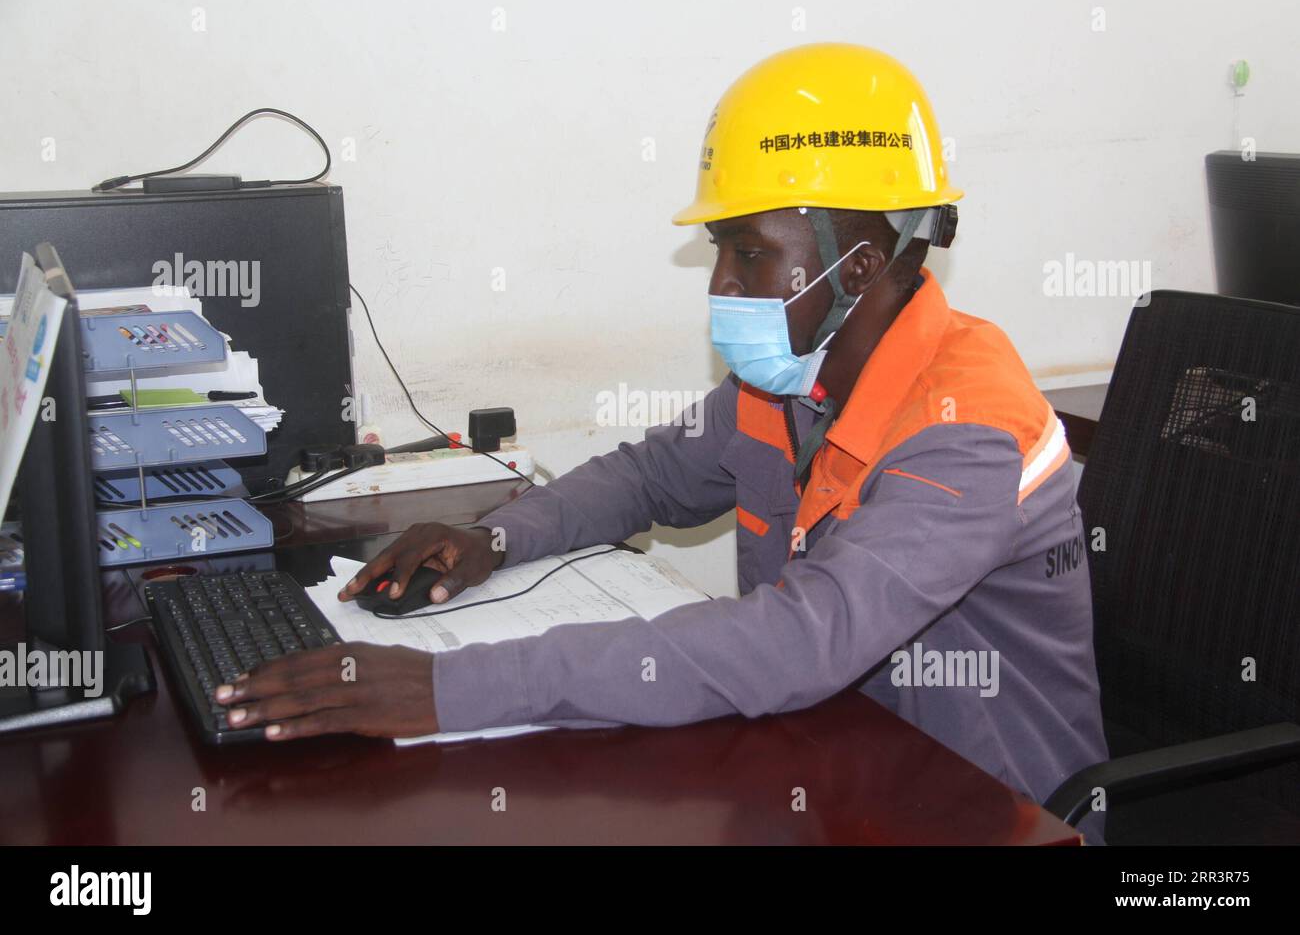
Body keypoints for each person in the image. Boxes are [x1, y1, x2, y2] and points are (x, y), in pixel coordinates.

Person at [217, 43, 1108, 838]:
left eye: (748, 252)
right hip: (831, 769)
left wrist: (442, 688)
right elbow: (648, 479)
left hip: (980, 811)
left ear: (859, 266)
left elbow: (799, 645)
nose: (721, 282)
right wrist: (495, 537)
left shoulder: (966, 430)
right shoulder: (793, 375)